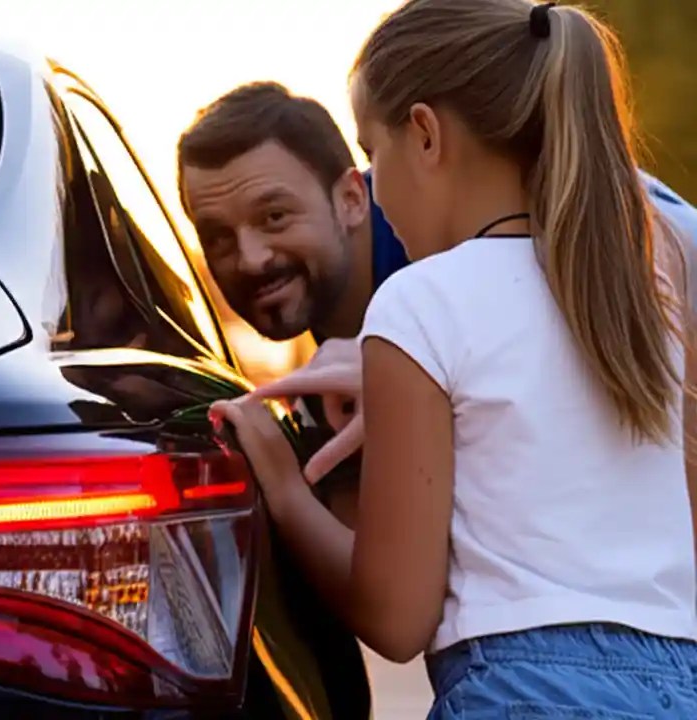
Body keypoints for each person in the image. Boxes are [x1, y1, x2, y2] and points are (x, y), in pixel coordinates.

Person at [209, 0, 697, 716]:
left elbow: (395, 618)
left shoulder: (419, 303)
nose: (375, 189)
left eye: (373, 155)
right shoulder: (644, 297)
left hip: (519, 694)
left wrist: (282, 487)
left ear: (426, 135)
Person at [179, 80, 697, 486]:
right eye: (218, 238)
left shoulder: (465, 240)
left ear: (351, 200)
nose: (250, 259)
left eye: (274, 217)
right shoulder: (331, 357)